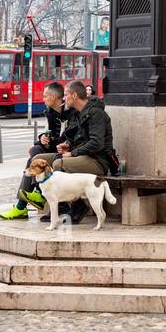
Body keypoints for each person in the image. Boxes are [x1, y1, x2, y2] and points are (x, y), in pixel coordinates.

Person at [49, 80, 118, 224]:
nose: (63, 98)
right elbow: (80, 138)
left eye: (66, 95)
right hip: (86, 156)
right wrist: (68, 145)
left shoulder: (95, 113)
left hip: (98, 160)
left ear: (74, 96)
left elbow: (97, 143)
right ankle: (56, 205)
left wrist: (73, 154)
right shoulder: (80, 112)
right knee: (41, 159)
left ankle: (73, 206)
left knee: (58, 164)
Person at [0, 82, 67, 220]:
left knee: (34, 159)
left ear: (53, 97)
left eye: (45, 96)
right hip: (55, 149)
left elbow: (69, 137)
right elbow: (49, 134)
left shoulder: (70, 113)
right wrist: (41, 140)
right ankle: (33, 197)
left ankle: (22, 206)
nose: (43, 99)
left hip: (66, 152)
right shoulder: (51, 113)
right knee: (35, 150)